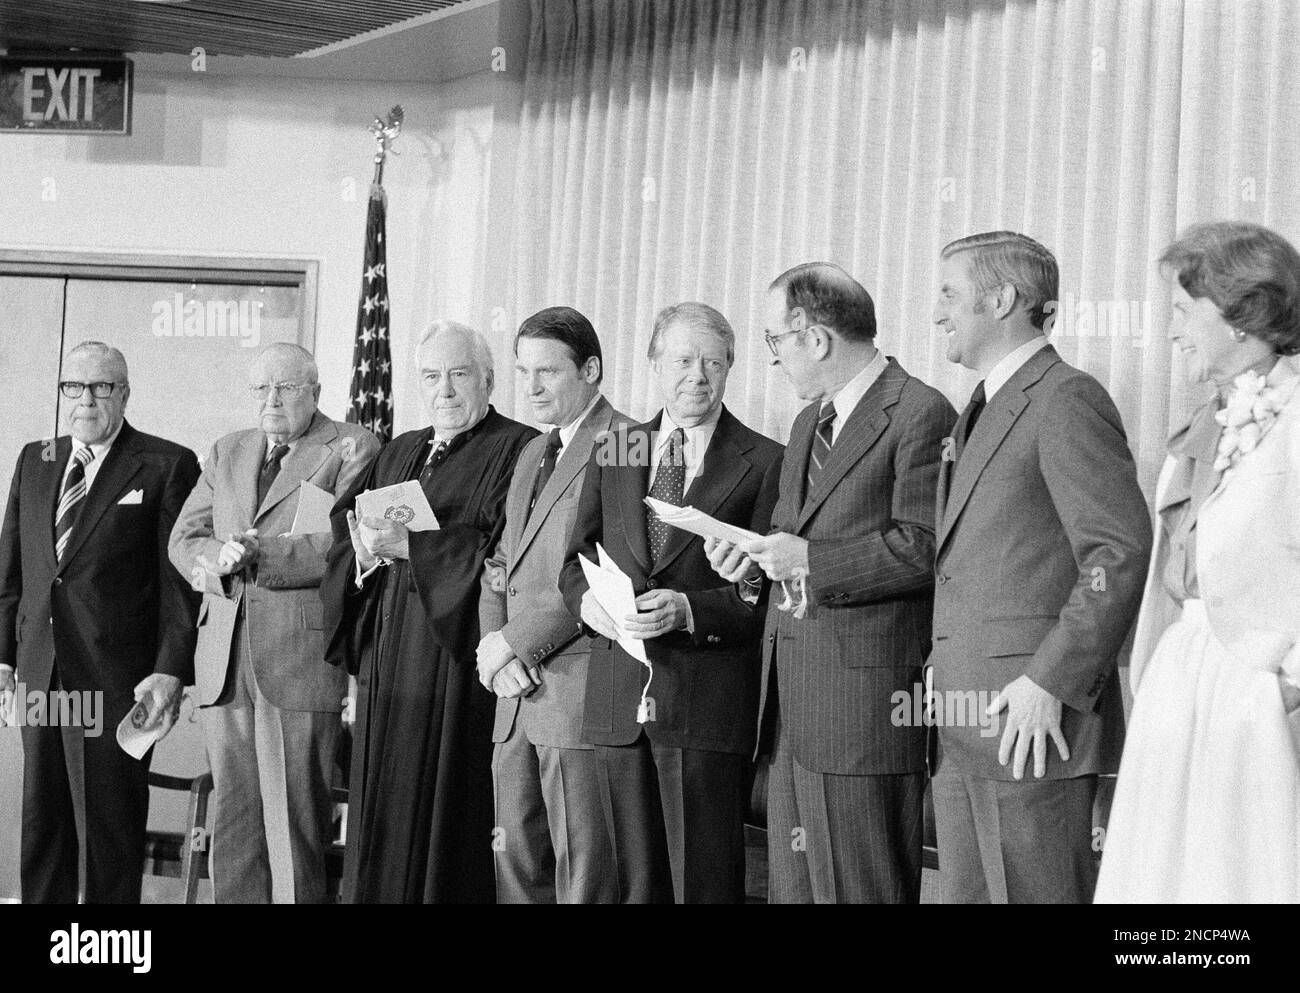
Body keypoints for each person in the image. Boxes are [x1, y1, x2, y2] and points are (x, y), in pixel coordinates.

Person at [708, 262, 956, 903]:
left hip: (865, 713)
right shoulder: (806, 423)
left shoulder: (921, 412)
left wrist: (810, 561)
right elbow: (790, 540)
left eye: (775, 341)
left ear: (814, 338)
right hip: (789, 708)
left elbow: (926, 547)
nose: (773, 358)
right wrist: (751, 562)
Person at [928, 231, 1152, 904]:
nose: (938, 313)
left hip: (1032, 724)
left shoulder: (1065, 398)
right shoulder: (980, 407)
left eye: (949, 294)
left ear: (1001, 300)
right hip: (966, 722)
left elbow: (1118, 549)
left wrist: (1051, 678)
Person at [1095, 221, 1300, 903]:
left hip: (1253, 693)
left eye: (1184, 310)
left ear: (1243, 313)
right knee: (1164, 883)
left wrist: (1283, 689)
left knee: (1236, 882)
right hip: (1180, 676)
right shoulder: (1205, 420)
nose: (1172, 329)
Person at [558, 302, 782, 904]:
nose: (697, 377)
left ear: (730, 367)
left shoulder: (766, 461)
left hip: (703, 709)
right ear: (655, 363)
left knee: (700, 886)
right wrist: (589, 606)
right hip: (616, 703)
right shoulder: (619, 447)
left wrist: (689, 610)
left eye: (713, 363)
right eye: (683, 361)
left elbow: (764, 596)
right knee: (625, 886)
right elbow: (573, 563)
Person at [320, 319, 536, 903]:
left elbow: (505, 556)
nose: (445, 390)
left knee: (450, 827)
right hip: (388, 667)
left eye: (459, 374)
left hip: (455, 668)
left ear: (488, 380)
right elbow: (345, 535)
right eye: (432, 376)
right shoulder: (398, 450)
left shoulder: (521, 449)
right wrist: (364, 555)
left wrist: (414, 548)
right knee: (379, 817)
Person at [168, 343, 379, 903]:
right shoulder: (228, 449)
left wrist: (261, 554)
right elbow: (184, 538)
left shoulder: (353, 446)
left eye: (286, 388)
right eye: (261, 388)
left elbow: (347, 542)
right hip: (223, 659)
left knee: (292, 829)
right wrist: (217, 560)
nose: (272, 400)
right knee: (234, 824)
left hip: (298, 660)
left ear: (315, 391)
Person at [0, 341, 200, 903]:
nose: (85, 399)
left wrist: (170, 670)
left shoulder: (166, 464)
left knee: (108, 834)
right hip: (43, 675)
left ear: (124, 393)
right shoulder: (35, 460)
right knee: (44, 825)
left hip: (116, 682)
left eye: (101, 387)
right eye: (74, 387)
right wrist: (4, 660)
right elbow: (12, 571)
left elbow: (179, 585)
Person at [476, 307, 631, 903]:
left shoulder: (628, 442)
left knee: (584, 873)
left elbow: (611, 571)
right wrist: (495, 649)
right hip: (514, 694)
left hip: (579, 692)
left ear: (590, 370)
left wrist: (516, 643)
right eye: (523, 372)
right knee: (516, 868)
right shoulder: (531, 452)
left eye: (548, 371)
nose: (532, 387)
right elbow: (501, 563)